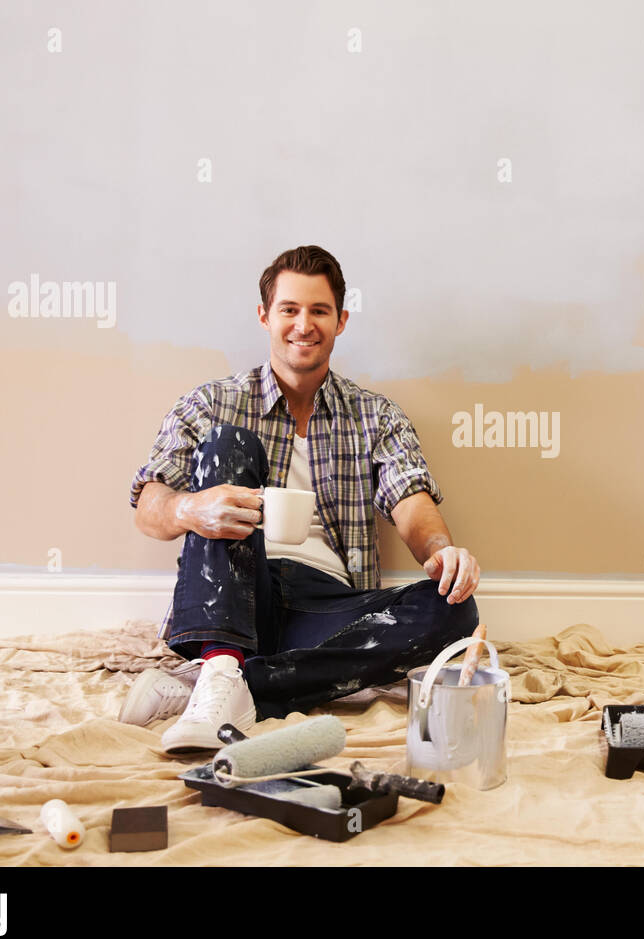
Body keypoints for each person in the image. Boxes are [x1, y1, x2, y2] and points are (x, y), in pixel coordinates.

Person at [123, 245, 481, 754]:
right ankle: (223, 659)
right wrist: (191, 509)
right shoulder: (211, 403)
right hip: (238, 589)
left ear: (341, 321)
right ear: (265, 316)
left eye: (319, 311)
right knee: (229, 444)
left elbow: (411, 501)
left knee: (455, 611)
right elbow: (150, 503)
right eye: (289, 309)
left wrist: (441, 552)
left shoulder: (376, 416)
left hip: (328, 604)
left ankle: (223, 683)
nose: (303, 325)